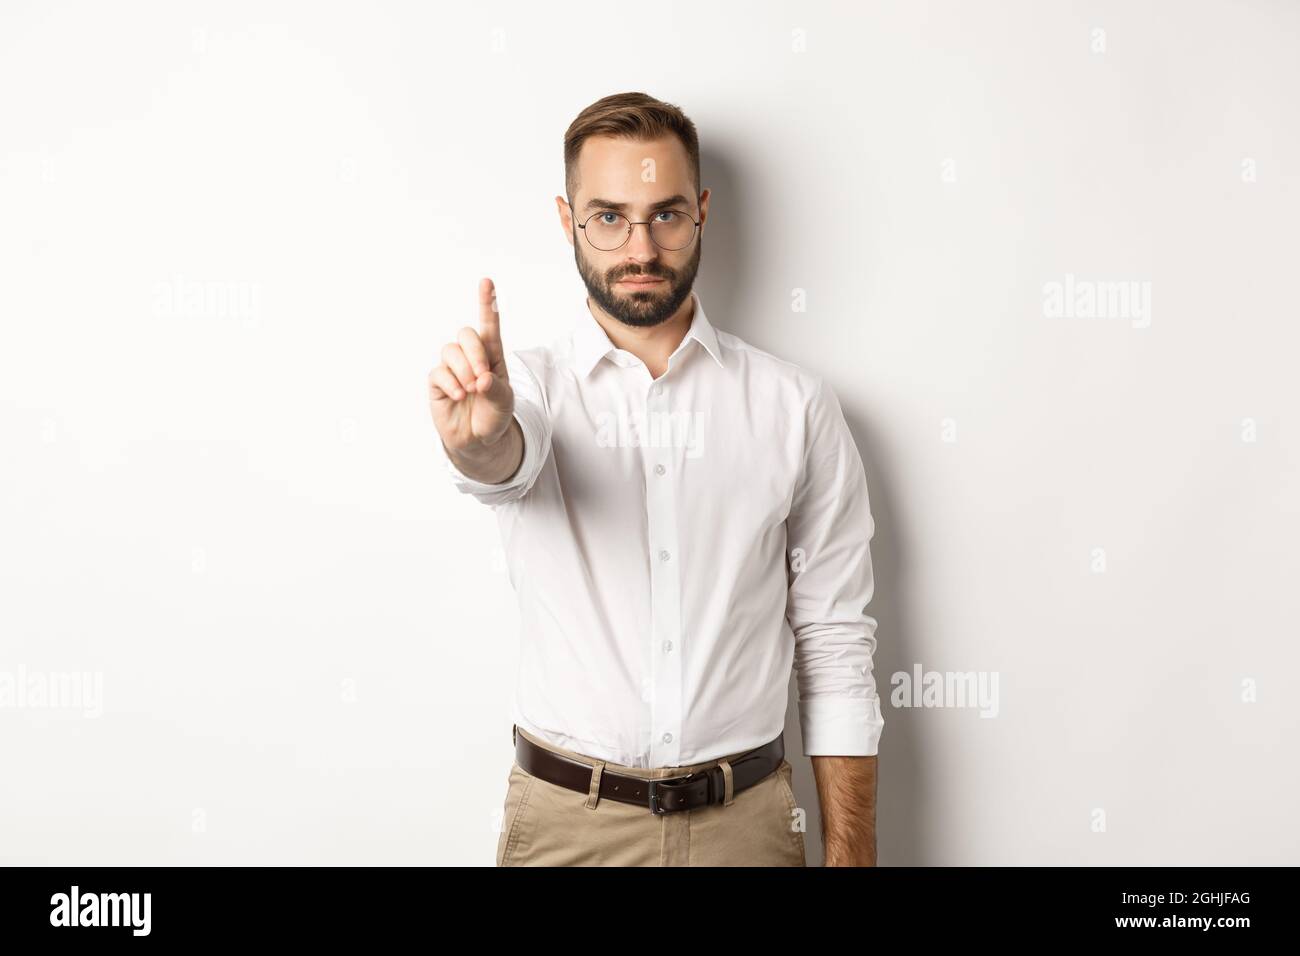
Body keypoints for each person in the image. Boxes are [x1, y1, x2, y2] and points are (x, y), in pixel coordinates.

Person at [427, 92, 882, 866]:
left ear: (701, 211)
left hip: (749, 827)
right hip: (570, 828)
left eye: (665, 214)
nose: (640, 247)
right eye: (608, 217)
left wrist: (852, 852)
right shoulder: (529, 391)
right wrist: (480, 440)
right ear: (568, 222)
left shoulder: (794, 407)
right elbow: (504, 462)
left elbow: (835, 640)